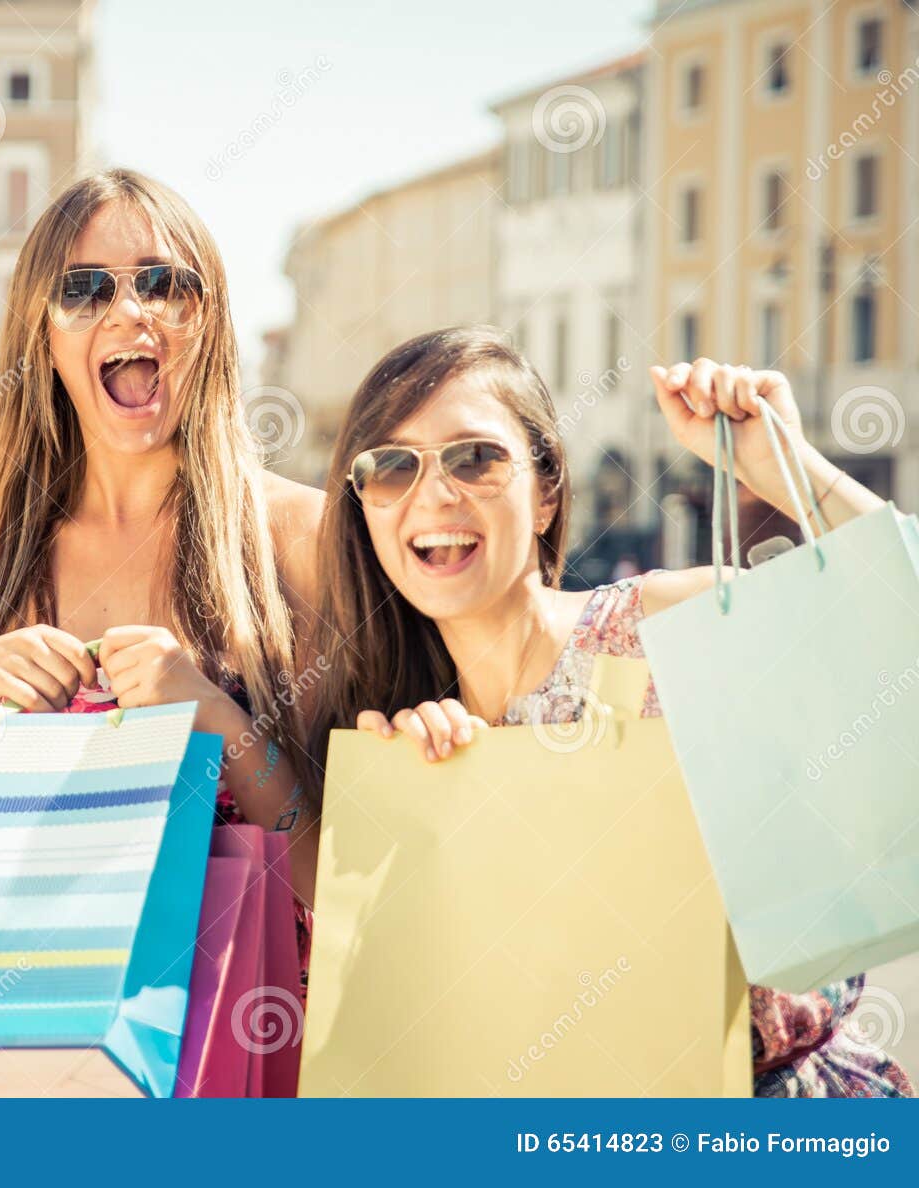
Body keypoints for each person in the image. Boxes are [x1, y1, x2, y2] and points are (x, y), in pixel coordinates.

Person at [304, 324, 911, 1097]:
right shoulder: (406, 736)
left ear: (548, 492)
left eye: (476, 457)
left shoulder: (667, 625)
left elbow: (902, 618)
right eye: (391, 467)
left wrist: (786, 469)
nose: (434, 493)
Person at [0, 168, 324, 910]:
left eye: (166, 283)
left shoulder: (301, 538)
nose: (131, 311)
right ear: (41, 337)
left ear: (209, 320)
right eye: (83, 290)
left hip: (241, 1015)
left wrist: (217, 718)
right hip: (28, 1019)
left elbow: (330, 874)